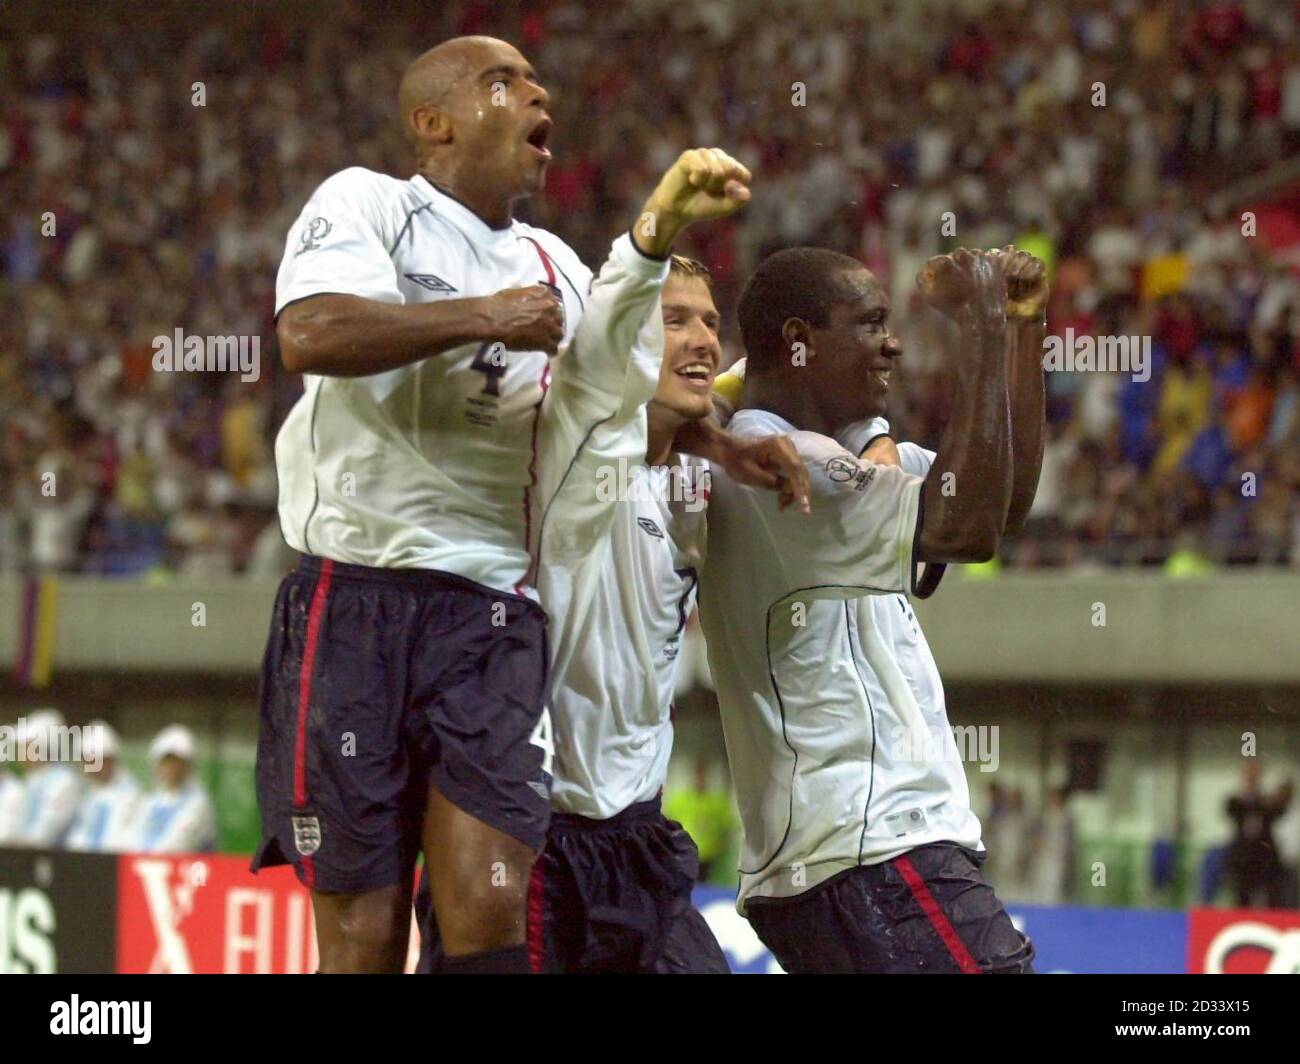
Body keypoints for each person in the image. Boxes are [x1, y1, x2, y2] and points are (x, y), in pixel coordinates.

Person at [252, 34, 787, 974]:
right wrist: (482, 317)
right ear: (434, 122)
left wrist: (719, 440)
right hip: (354, 597)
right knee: (363, 933)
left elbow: (620, 396)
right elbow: (308, 332)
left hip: (491, 608)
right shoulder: (367, 203)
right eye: (506, 83)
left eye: (541, 82)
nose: (539, 97)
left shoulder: (556, 263)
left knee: (489, 909)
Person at [699, 245, 1048, 973]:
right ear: (797, 342)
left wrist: (1021, 325)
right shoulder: (774, 457)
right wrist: (979, 319)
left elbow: (1003, 500)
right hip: (867, 844)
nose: (891, 341)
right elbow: (964, 528)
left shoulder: (838, 450)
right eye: (868, 323)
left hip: (858, 850)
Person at [133, 725, 217, 853]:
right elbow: (132, 839)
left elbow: (177, 845)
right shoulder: (150, 801)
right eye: (165, 761)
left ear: (188, 765)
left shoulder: (198, 803)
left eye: (176, 762)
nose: (170, 768)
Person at [65, 721, 144, 853]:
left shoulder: (130, 794)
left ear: (108, 760)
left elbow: (119, 842)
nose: (85, 766)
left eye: (90, 760)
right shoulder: (90, 792)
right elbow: (78, 836)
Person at [1224, 761, 1293, 909]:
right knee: (1242, 898)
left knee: (1272, 898)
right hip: (1242, 858)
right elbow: (1233, 810)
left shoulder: (1268, 801)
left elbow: (1279, 810)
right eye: (1249, 775)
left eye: (1255, 775)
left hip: (1265, 857)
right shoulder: (1237, 800)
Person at [17, 708, 82, 849]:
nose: (18, 752)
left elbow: (45, 832)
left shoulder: (64, 781)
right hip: (23, 858)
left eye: (23, 746)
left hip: (57, 863)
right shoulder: (31, 780)